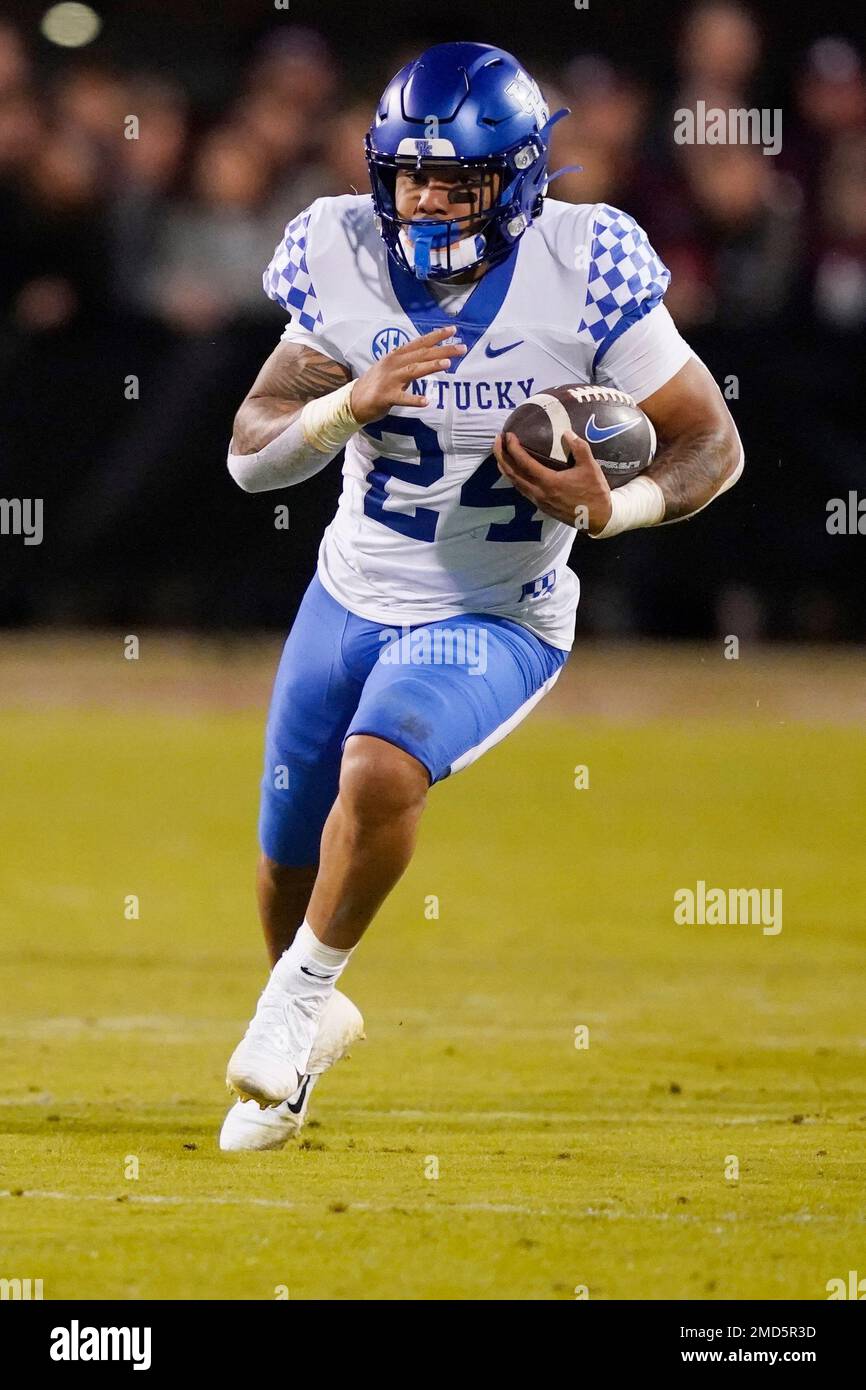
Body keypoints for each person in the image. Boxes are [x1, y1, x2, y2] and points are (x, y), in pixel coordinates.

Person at [219, 42, 743, 1151]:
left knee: (380, 763)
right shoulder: (339, 253)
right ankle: (305, 1023)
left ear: (514, 180)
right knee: (282, 854)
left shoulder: (584, 261)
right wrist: (343, 405)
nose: (424, 199)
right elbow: (250, 456)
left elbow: (712, 443)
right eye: (408, 175)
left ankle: (299, 1001)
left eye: (454, 179)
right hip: (350, 591)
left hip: (493, 611)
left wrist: (615, 512)